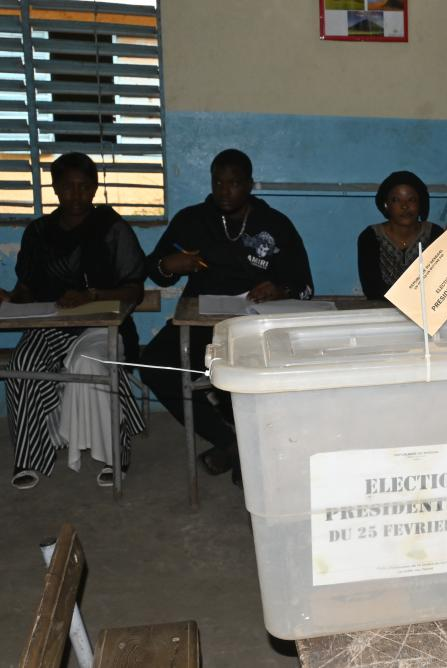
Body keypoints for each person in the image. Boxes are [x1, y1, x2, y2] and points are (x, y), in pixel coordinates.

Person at [141, 149, 314, 486]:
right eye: (218, 182)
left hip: (252, 325)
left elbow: (306, 287)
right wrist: (168, 265)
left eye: (233, 184)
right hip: (200, 320)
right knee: (154, 365)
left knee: (247, 376)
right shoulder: (192, 220)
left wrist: (280, 289)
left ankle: (247, 448)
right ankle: (231, 443)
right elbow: (157, 271)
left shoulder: (274, 225)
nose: (224, 191)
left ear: (249, 185)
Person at [1, 152, 146, 489]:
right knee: (24, 362)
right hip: (52, 325)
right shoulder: (39, 232)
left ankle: (115, 453)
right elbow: (27, 288)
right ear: (55, 189)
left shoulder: (112, 228)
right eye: (68, 188)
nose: (76, 195)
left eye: (84, 187)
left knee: (90, 364)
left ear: (95, 189)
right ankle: (31, 456)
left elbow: (134, 290)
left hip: (104, 324)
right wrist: (10, 300)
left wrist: (91, 296)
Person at [357, 170, 445, 300]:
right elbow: (372, 289)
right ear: (386, 205)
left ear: (420, 204)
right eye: (396, 200)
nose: (405, 206)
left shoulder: (434, 234)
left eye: (412, 199)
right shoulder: (370, 237)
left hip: (427, 310)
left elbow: (441, 282)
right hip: (382, 311)